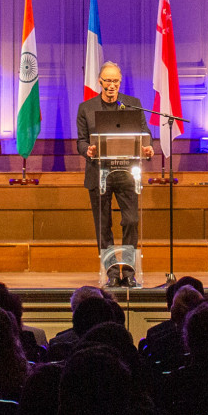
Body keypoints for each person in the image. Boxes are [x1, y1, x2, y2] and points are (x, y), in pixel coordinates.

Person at [75, 61, 153, 288]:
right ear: (100, 82)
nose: (111, 85)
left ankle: (128, 272)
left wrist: (148, 147)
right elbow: (80, 141)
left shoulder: (132, 105)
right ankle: (111, 272)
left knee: (131, 220)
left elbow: (145, 133)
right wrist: (87, 150)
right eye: (107, 81)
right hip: (98, 173)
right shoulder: (86, 108)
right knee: (103, 225)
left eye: (115, 81)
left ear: (120, 82)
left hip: (127, 172)